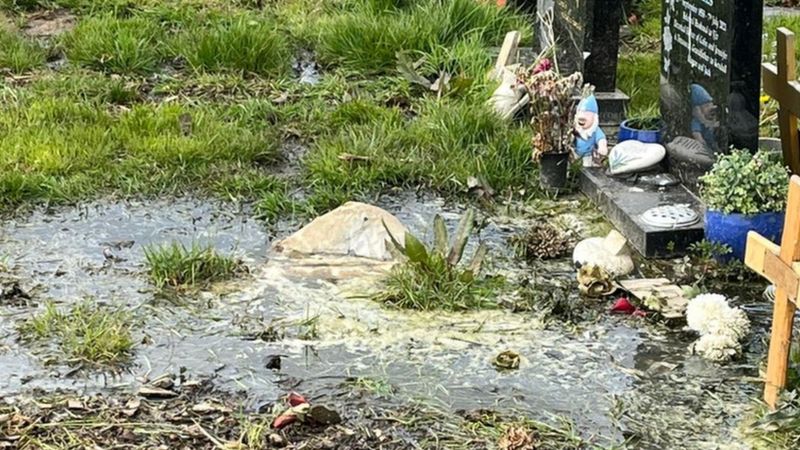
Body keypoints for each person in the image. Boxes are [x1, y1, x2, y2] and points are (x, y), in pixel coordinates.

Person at [573, 94, 608, 167]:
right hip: (574, 154)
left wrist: (602, 146)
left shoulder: (595, 131)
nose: (582, 117)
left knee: (586, 168)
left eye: (587, 115)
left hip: (588, 156)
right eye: (580, 113)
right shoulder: (575, 129)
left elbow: (601, 139)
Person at [690, 83, 719, 151]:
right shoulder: (696, 122)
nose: (711, 108)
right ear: (698, 110)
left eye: (710, 104)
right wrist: (704, 148)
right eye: (706, 106)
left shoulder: (709, 119)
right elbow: (697, 135)